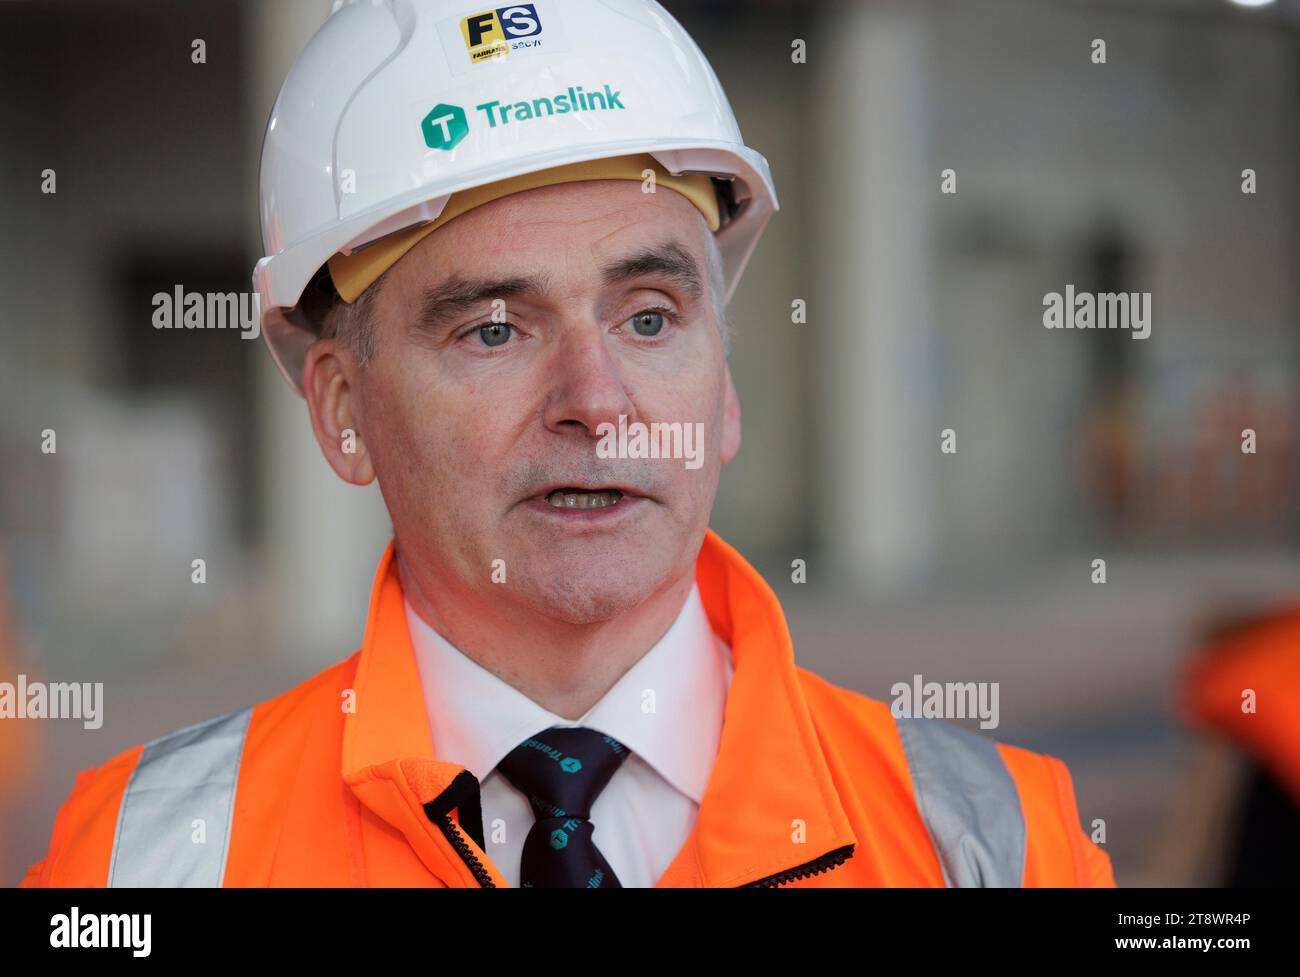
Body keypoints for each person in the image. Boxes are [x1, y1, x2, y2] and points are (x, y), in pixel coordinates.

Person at [21, 0, 1114, 888]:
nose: (598, 403)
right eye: (493, 329)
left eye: (649, 318)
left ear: (724, 388)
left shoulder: (991, 843)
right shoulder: (146, 863)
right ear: (342, 411)